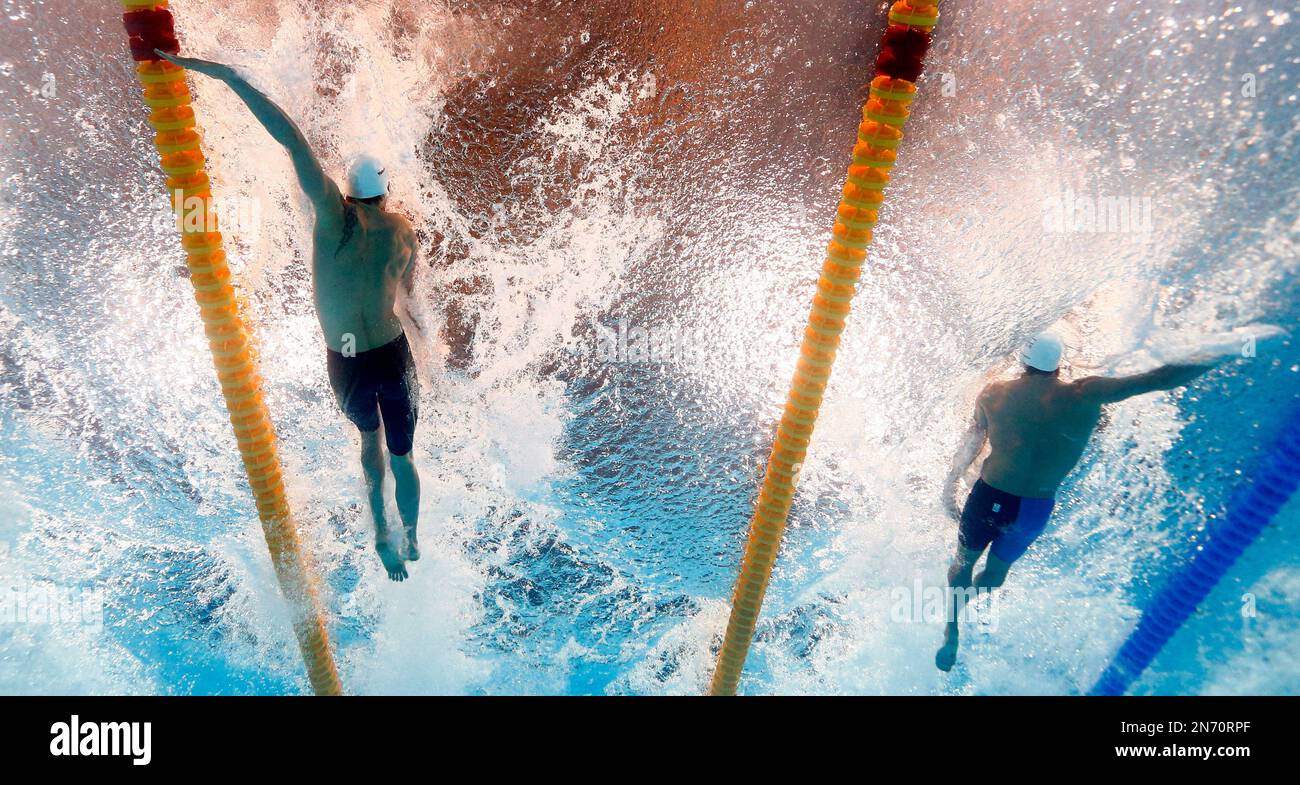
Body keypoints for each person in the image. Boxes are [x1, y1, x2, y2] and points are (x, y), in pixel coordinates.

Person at [157, 50, 427, 582]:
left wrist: (227, 74)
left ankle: (382, 536)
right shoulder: (404, 233)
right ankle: (412, 537)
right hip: (395, 354)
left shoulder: (333, 214)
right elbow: (409, 302)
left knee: (369, 448)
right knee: (402, 454)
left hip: (346, 359)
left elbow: (291, 138)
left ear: (348, 191)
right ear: (386, 192)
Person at [936, 331, 1219, 670]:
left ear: (1023, 362)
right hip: (1034, 510)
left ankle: (951, 628)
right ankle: (966, 605)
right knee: (995, 577)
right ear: (1059, 366)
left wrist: (950, 486)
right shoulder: (1087, 394)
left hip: (989, 497)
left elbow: (971, 444)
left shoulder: (994, 393)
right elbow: (1159, 379)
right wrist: (1218, 353)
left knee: (963, 564)